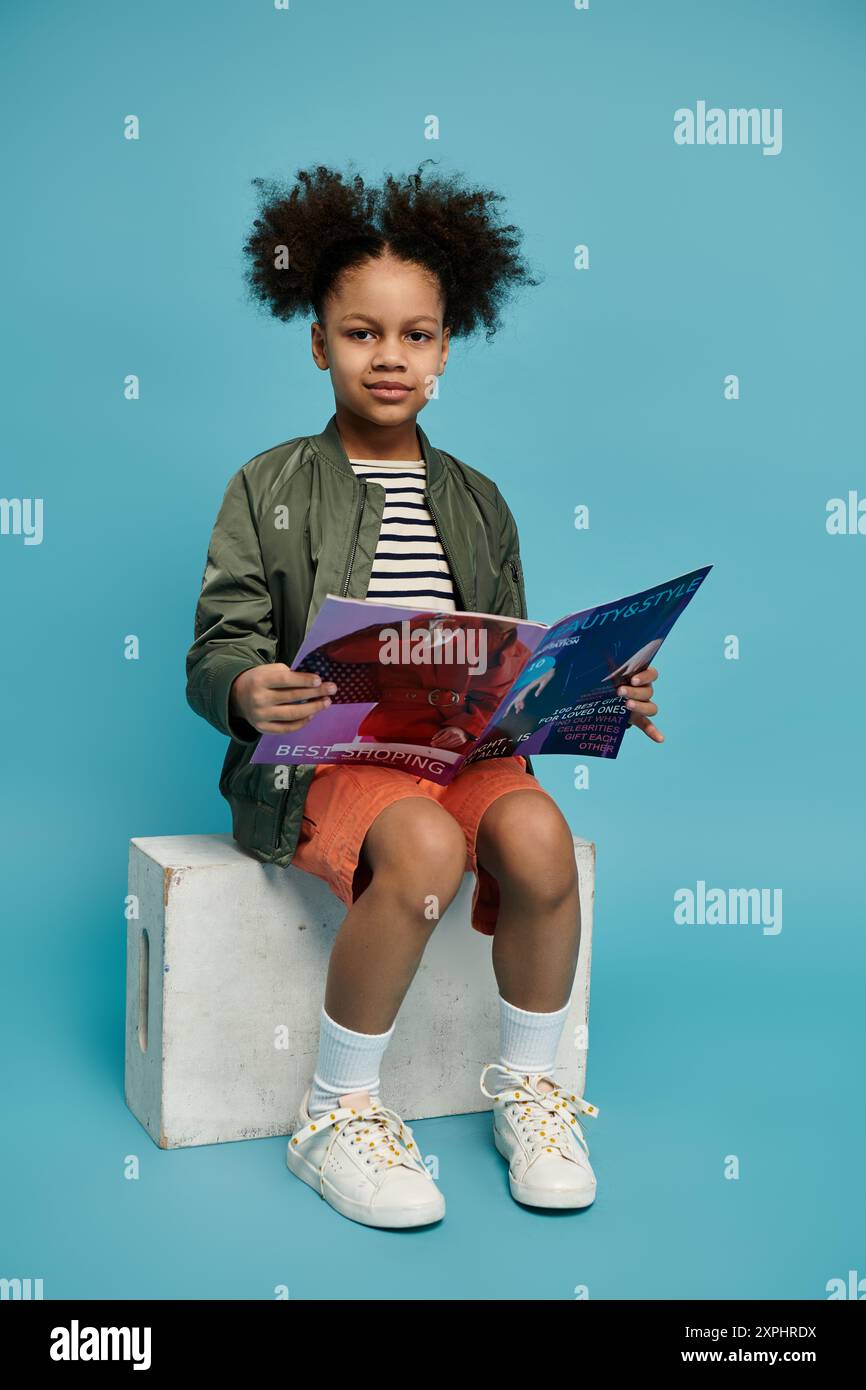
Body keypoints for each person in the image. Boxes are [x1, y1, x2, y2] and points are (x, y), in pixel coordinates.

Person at [185, 160, 662, 1230]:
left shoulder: (477, 501)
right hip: (328, 757)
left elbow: (510, 657)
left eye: (415, 335)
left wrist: (594, 688)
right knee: (426, 851)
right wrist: (246, 687)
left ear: (447, 347)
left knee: (538, 839)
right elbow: (217, 646)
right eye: (361, 333)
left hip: (459, 752)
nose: (388, 356)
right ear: (317, 343)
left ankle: (528, 1092)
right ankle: (335, 1111)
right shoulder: (267, 487)